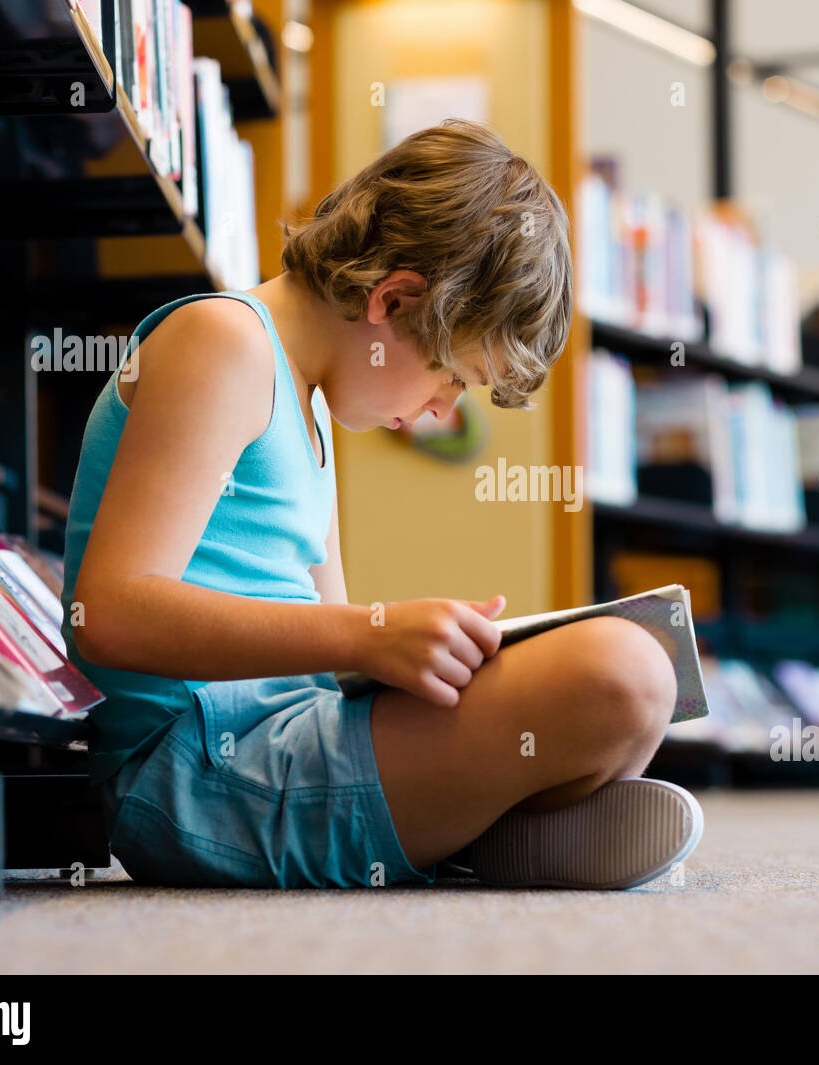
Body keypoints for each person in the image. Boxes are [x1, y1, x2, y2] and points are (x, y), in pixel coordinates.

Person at [62, 119, 703, 891]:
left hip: (287, 734)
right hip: (194, 769)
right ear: (394, 299)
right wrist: (370, 634)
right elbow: (108, 613)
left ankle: (480, 832)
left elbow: (324, 659)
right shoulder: (222, 341)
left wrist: (407, 656)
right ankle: (485, 833)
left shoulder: (314, 409)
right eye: (451, 376)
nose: (442, 408)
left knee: (637, 669)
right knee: (622, 674)